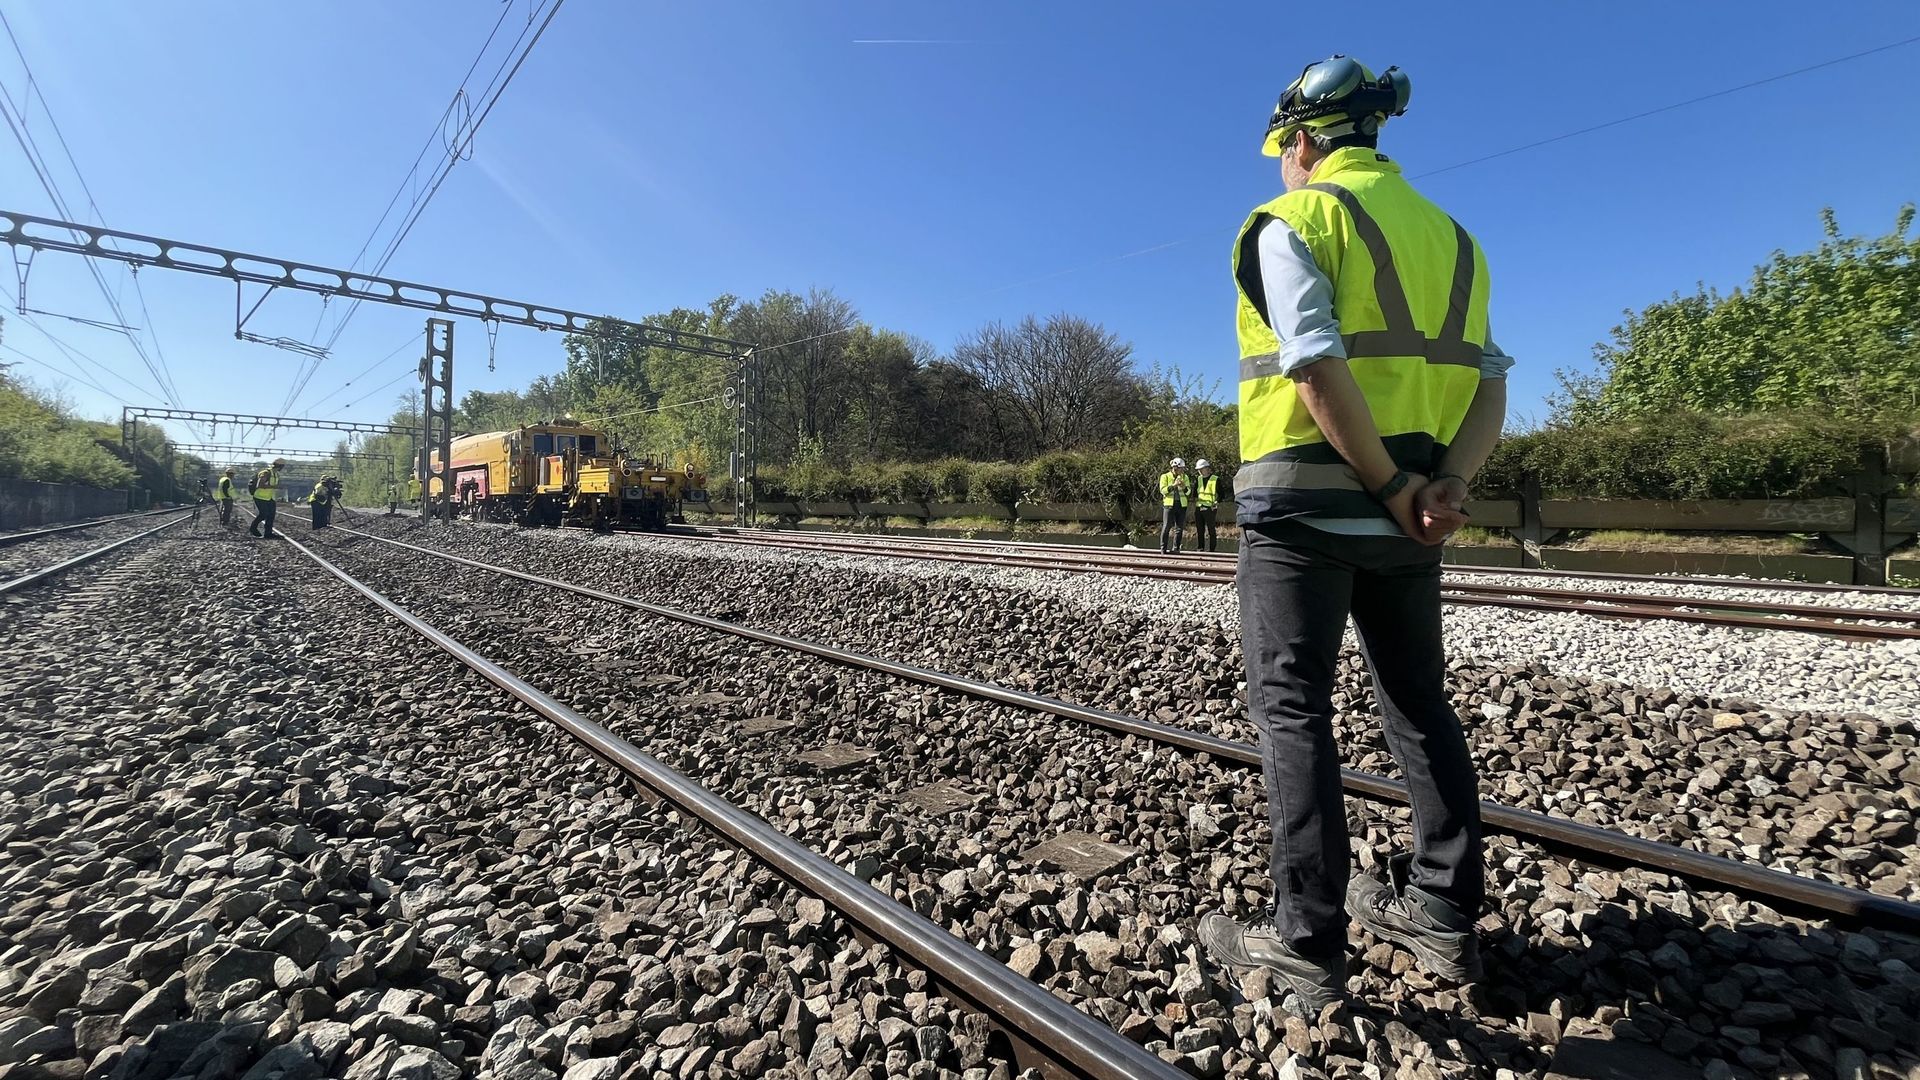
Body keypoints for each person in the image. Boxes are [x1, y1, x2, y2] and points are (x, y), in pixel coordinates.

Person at [1197, 56, 1512, 1017]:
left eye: (1281, 150)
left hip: (1304, 510)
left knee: (1293, 711)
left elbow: (1313, 363)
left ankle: (1306, 942)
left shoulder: (1290, 220)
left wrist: (1388, 481)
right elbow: (1491, 380)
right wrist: (1443, 486)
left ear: (1301, 141)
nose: (1280, 164)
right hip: (1410, 518)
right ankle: (1443, 910)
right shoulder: (1454, 239)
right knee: (1418, 700)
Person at [1157, 457, 1194, 554]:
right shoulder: (1165, 476)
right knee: (1166, 526)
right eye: (1181, 468)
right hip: (1169, 505)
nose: (1182, 470)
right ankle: (1163, 549)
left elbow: (1188, 492)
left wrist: (1183, 487)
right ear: (1175, 468)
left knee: (1179, 528)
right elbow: (1163, 490)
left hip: (1181, 505)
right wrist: (1174, 485)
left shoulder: (1185, 477)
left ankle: (1176, 548)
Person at [247, 459, 285, 538]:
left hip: (270, 498)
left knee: (271, 516)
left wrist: (277, 487)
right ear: (280, 466)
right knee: (263, 514)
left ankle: (268, 533)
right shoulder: (266, 473)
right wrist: (274, 487)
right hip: (260, 497)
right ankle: (253, 528)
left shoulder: (276, 474)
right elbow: (260, 485)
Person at [1193, 459, 1221, 552]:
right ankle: (1200, 548)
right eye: (1199, 469)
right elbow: (1194, 494)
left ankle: (1212, 550)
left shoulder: (1215, 479)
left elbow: (1221, 494)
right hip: (1199, 507)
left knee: (1211, 530)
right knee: (1200, 530)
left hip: (1210, 508)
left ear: (1207, 468)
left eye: (1202, 469)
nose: (1200, 471)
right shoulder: (1198, 479)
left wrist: (1216, 502)